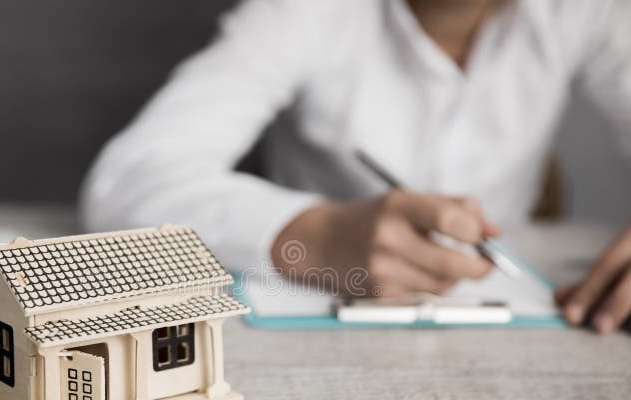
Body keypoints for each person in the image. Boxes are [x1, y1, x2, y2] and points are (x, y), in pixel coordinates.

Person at [79, 0, 631, 333]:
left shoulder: (592, 10)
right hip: (314, 340)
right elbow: (127, 178)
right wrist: (312, 236)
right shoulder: (304, 12)